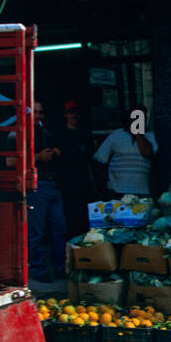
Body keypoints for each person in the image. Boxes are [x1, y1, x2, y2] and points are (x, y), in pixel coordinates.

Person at [26, 101, 67, 284]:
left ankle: (60, 269)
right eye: (34, 112)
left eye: (40, 112)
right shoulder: (19, 133)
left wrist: (56, 152)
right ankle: (37, 269)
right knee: (37, 231)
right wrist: (38, 157)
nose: (38, 116)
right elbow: (10, 161)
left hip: (52, 185)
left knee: (59, 230)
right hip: (36, 186)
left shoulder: (46, 132)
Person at [94, 103, 157, 198]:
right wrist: (106, 183)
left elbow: (147, 152)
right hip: (117, 190)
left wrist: (138, 132)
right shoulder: (116, 135)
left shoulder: (150, 136)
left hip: (141, 191)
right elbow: (100, 160)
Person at [57, 98, 96, 237]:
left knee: (84, 218)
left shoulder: (85, 135)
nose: (74, 115)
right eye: (71, 112)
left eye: (77, 113)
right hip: (66, 184)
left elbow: (89, 162)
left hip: (83, 183)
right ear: (66, 115)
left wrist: (92, 184)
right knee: (68, 218)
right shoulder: (59, 135)